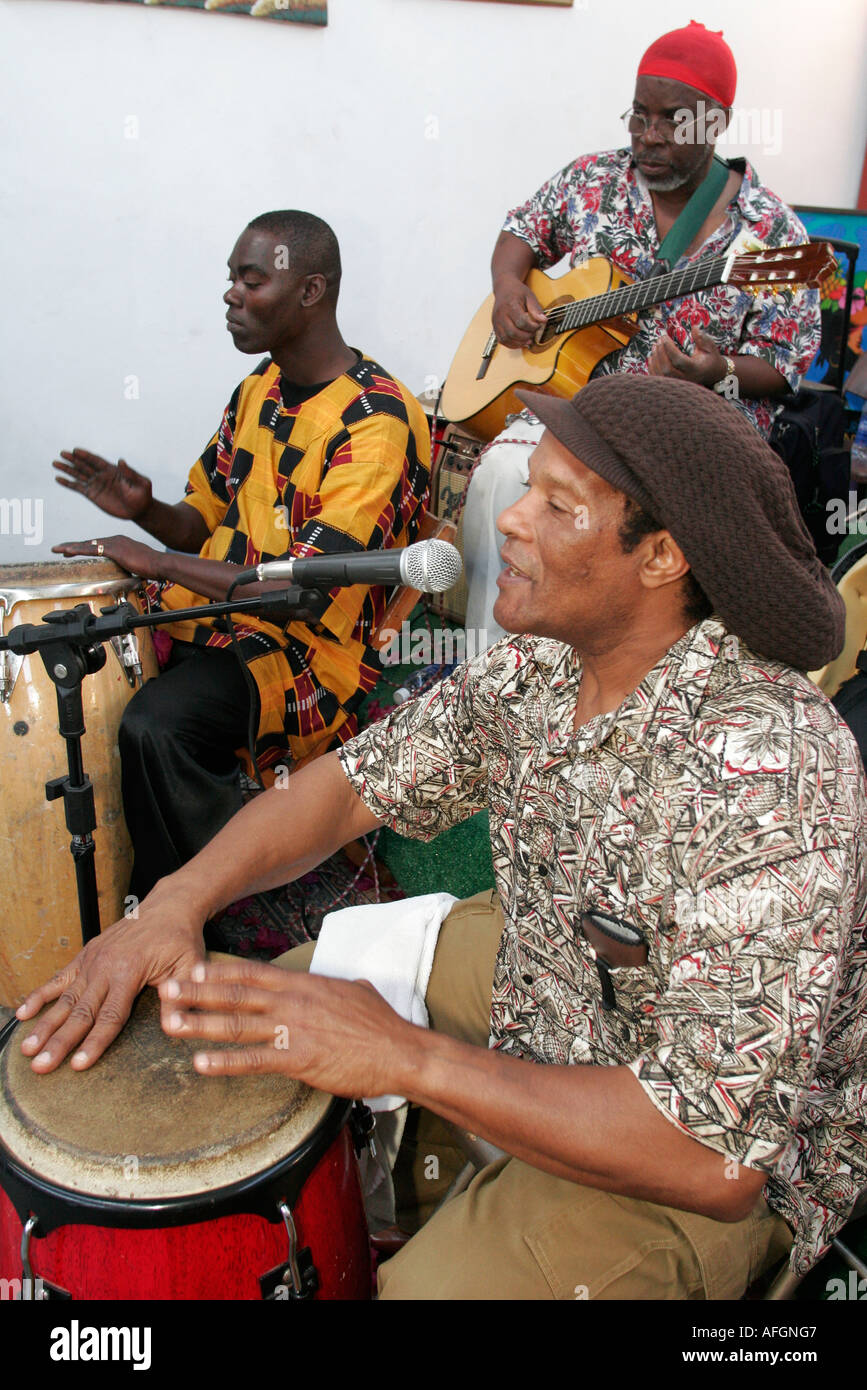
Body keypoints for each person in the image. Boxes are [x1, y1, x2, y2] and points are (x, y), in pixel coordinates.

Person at [21, 375, 866, 1301]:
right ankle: (374, 1183)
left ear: (662, 557)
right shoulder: (544, 662)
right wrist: (175, 903)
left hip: (703, 1165)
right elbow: (345, 792)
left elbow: (712, 1159)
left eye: (557, 505)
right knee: (247, 1004)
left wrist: (406, 1056)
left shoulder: (770, 770)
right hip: (553, 975)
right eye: (526, 487)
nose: (507, 520)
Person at [52, 210, 430, 898]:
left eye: (250, 280)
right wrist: (145, 510)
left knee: (155, 725)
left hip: (305, 655)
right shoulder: (259, 389)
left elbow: (297, 594)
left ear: (309, 292)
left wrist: (156, 561)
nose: (230, 295)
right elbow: (203, 526)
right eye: (231, 278)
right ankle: (104, 897)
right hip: (214, 618)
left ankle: (184, 908)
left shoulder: (375, 422)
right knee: (76, 669)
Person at [462, 20, 822, 646]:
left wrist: (719, 372)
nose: (648, 138)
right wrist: (509, 287)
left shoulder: (772, 234)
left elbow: (786, 366)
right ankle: (489, 672)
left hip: (689, 433)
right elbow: (522, 230)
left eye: (671, 121)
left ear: (715, 123)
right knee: (501, 474)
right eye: (638, 116)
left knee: (615, 513)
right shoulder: (593, 181)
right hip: (579, 411)